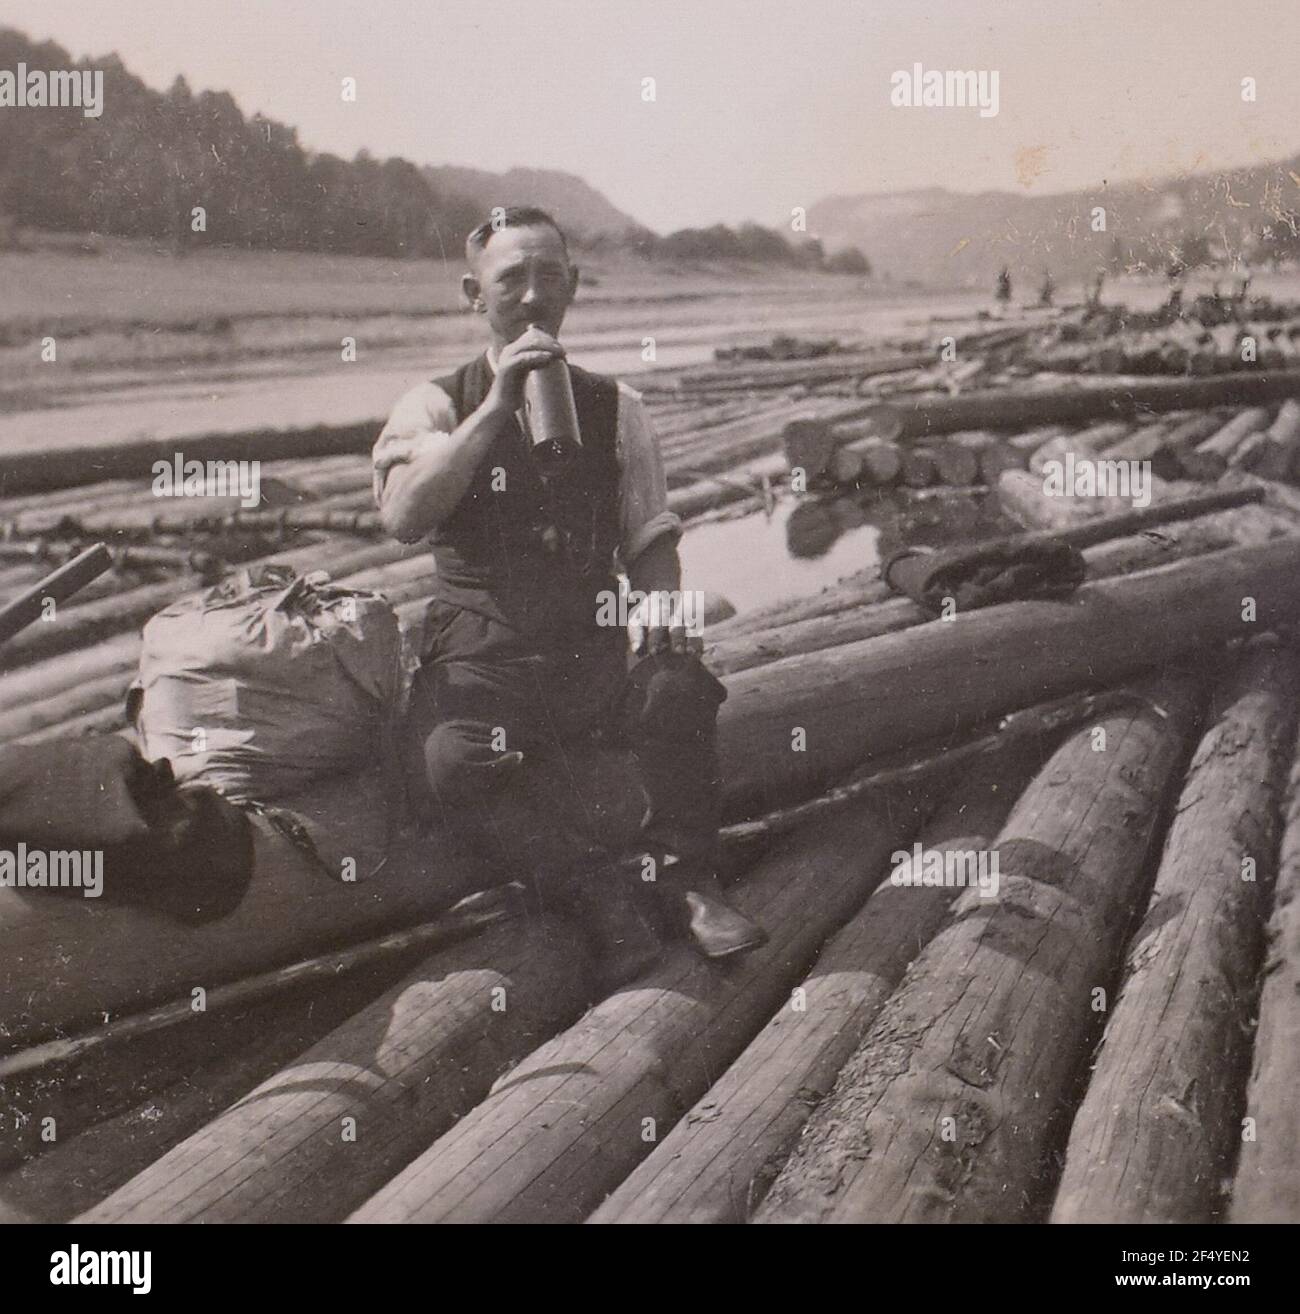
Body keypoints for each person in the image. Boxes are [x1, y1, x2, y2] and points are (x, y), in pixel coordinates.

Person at [372, 206, 766, 984]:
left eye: (549, 276)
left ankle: (687, 880)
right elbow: (403, 518)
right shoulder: (436, 404)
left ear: (573, 288)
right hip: (481, 659)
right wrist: (496, 408)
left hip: (590, 652)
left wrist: (658, 603)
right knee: (448, 765)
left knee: (677, 688)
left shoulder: (617, 406)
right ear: (471, 295)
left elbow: (648, 536)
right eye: (510, 278)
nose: (530, 295)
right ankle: (595, 891)